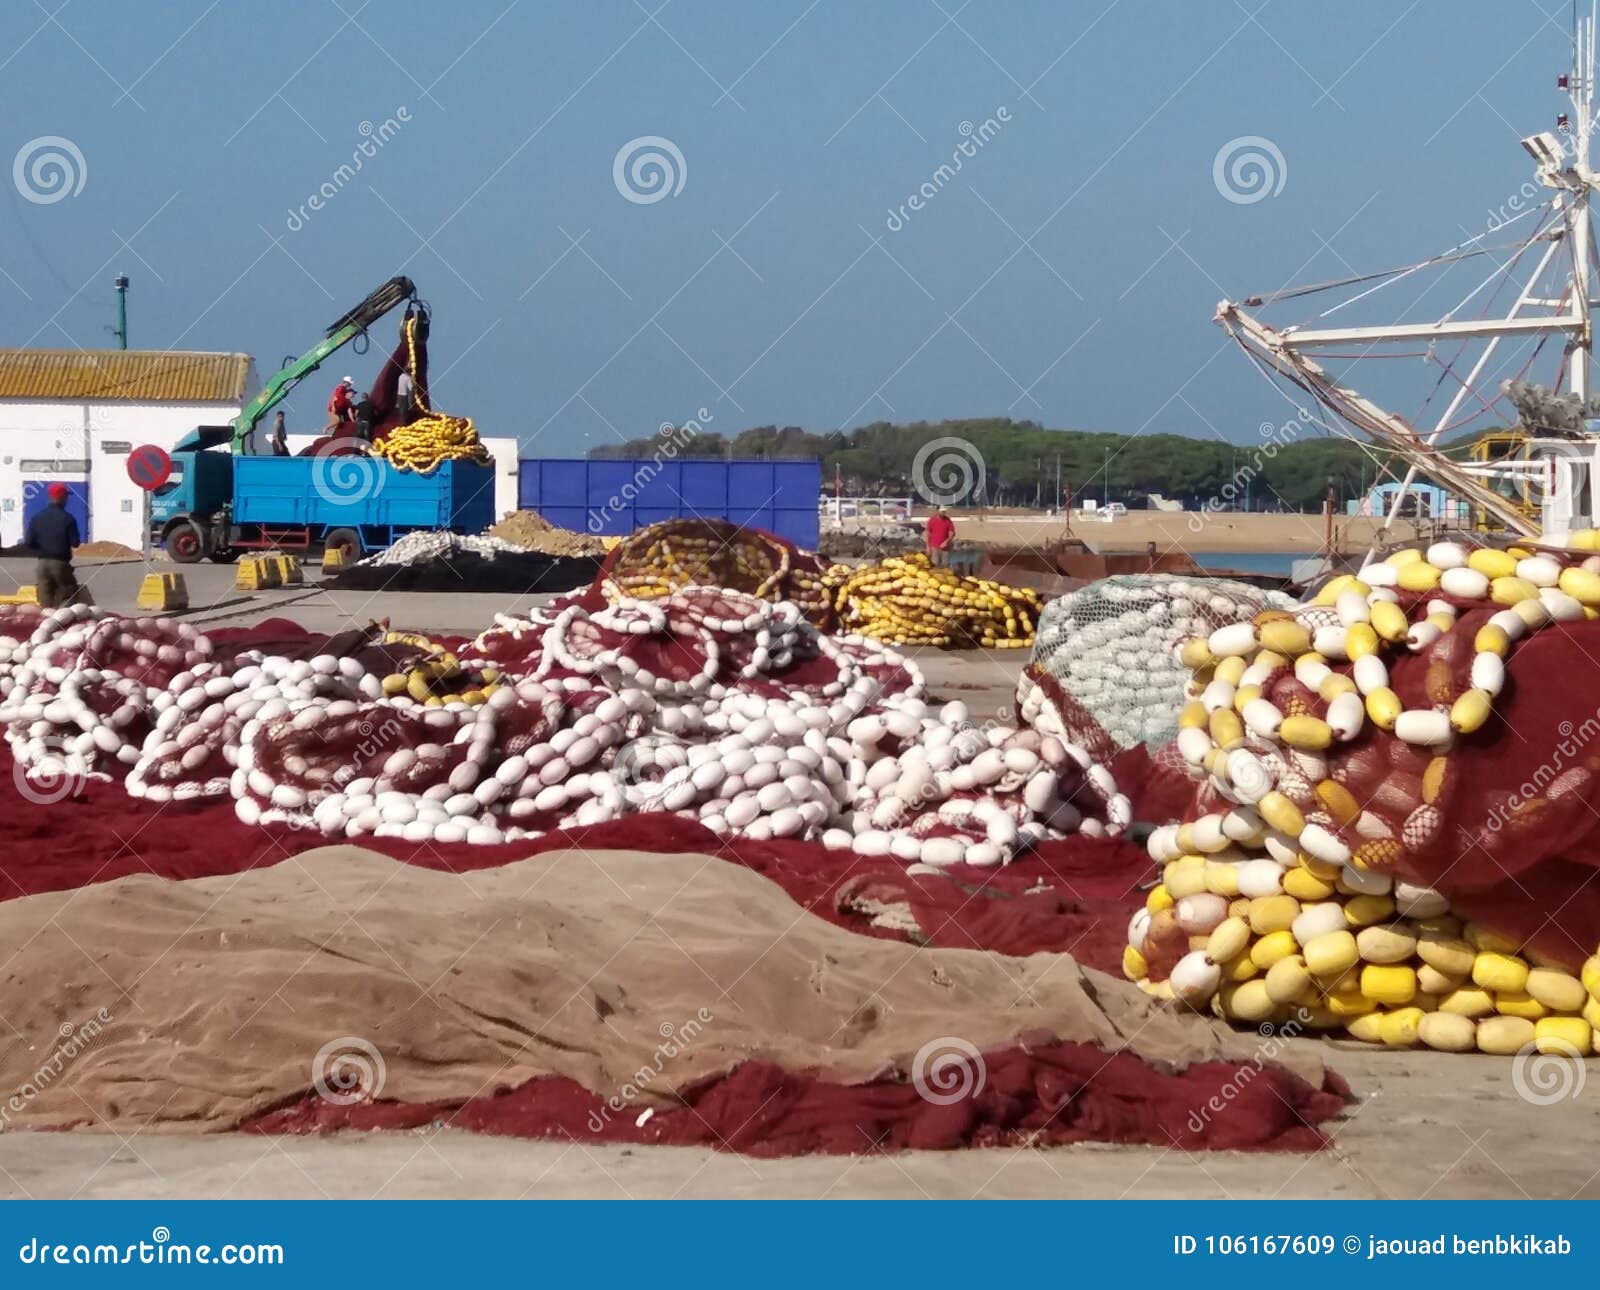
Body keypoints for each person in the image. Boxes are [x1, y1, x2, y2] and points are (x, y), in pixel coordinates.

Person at [25, 483, 83, 609]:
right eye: (66, 497)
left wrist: (43, 547)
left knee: (45, 600)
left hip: (42, 564)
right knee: (69, 592)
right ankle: (63, 623)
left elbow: (28, 542)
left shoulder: (37, 518)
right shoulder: (68, 518)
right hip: (60, 564)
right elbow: (75, 543)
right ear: (63, 498)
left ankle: (46, 622)